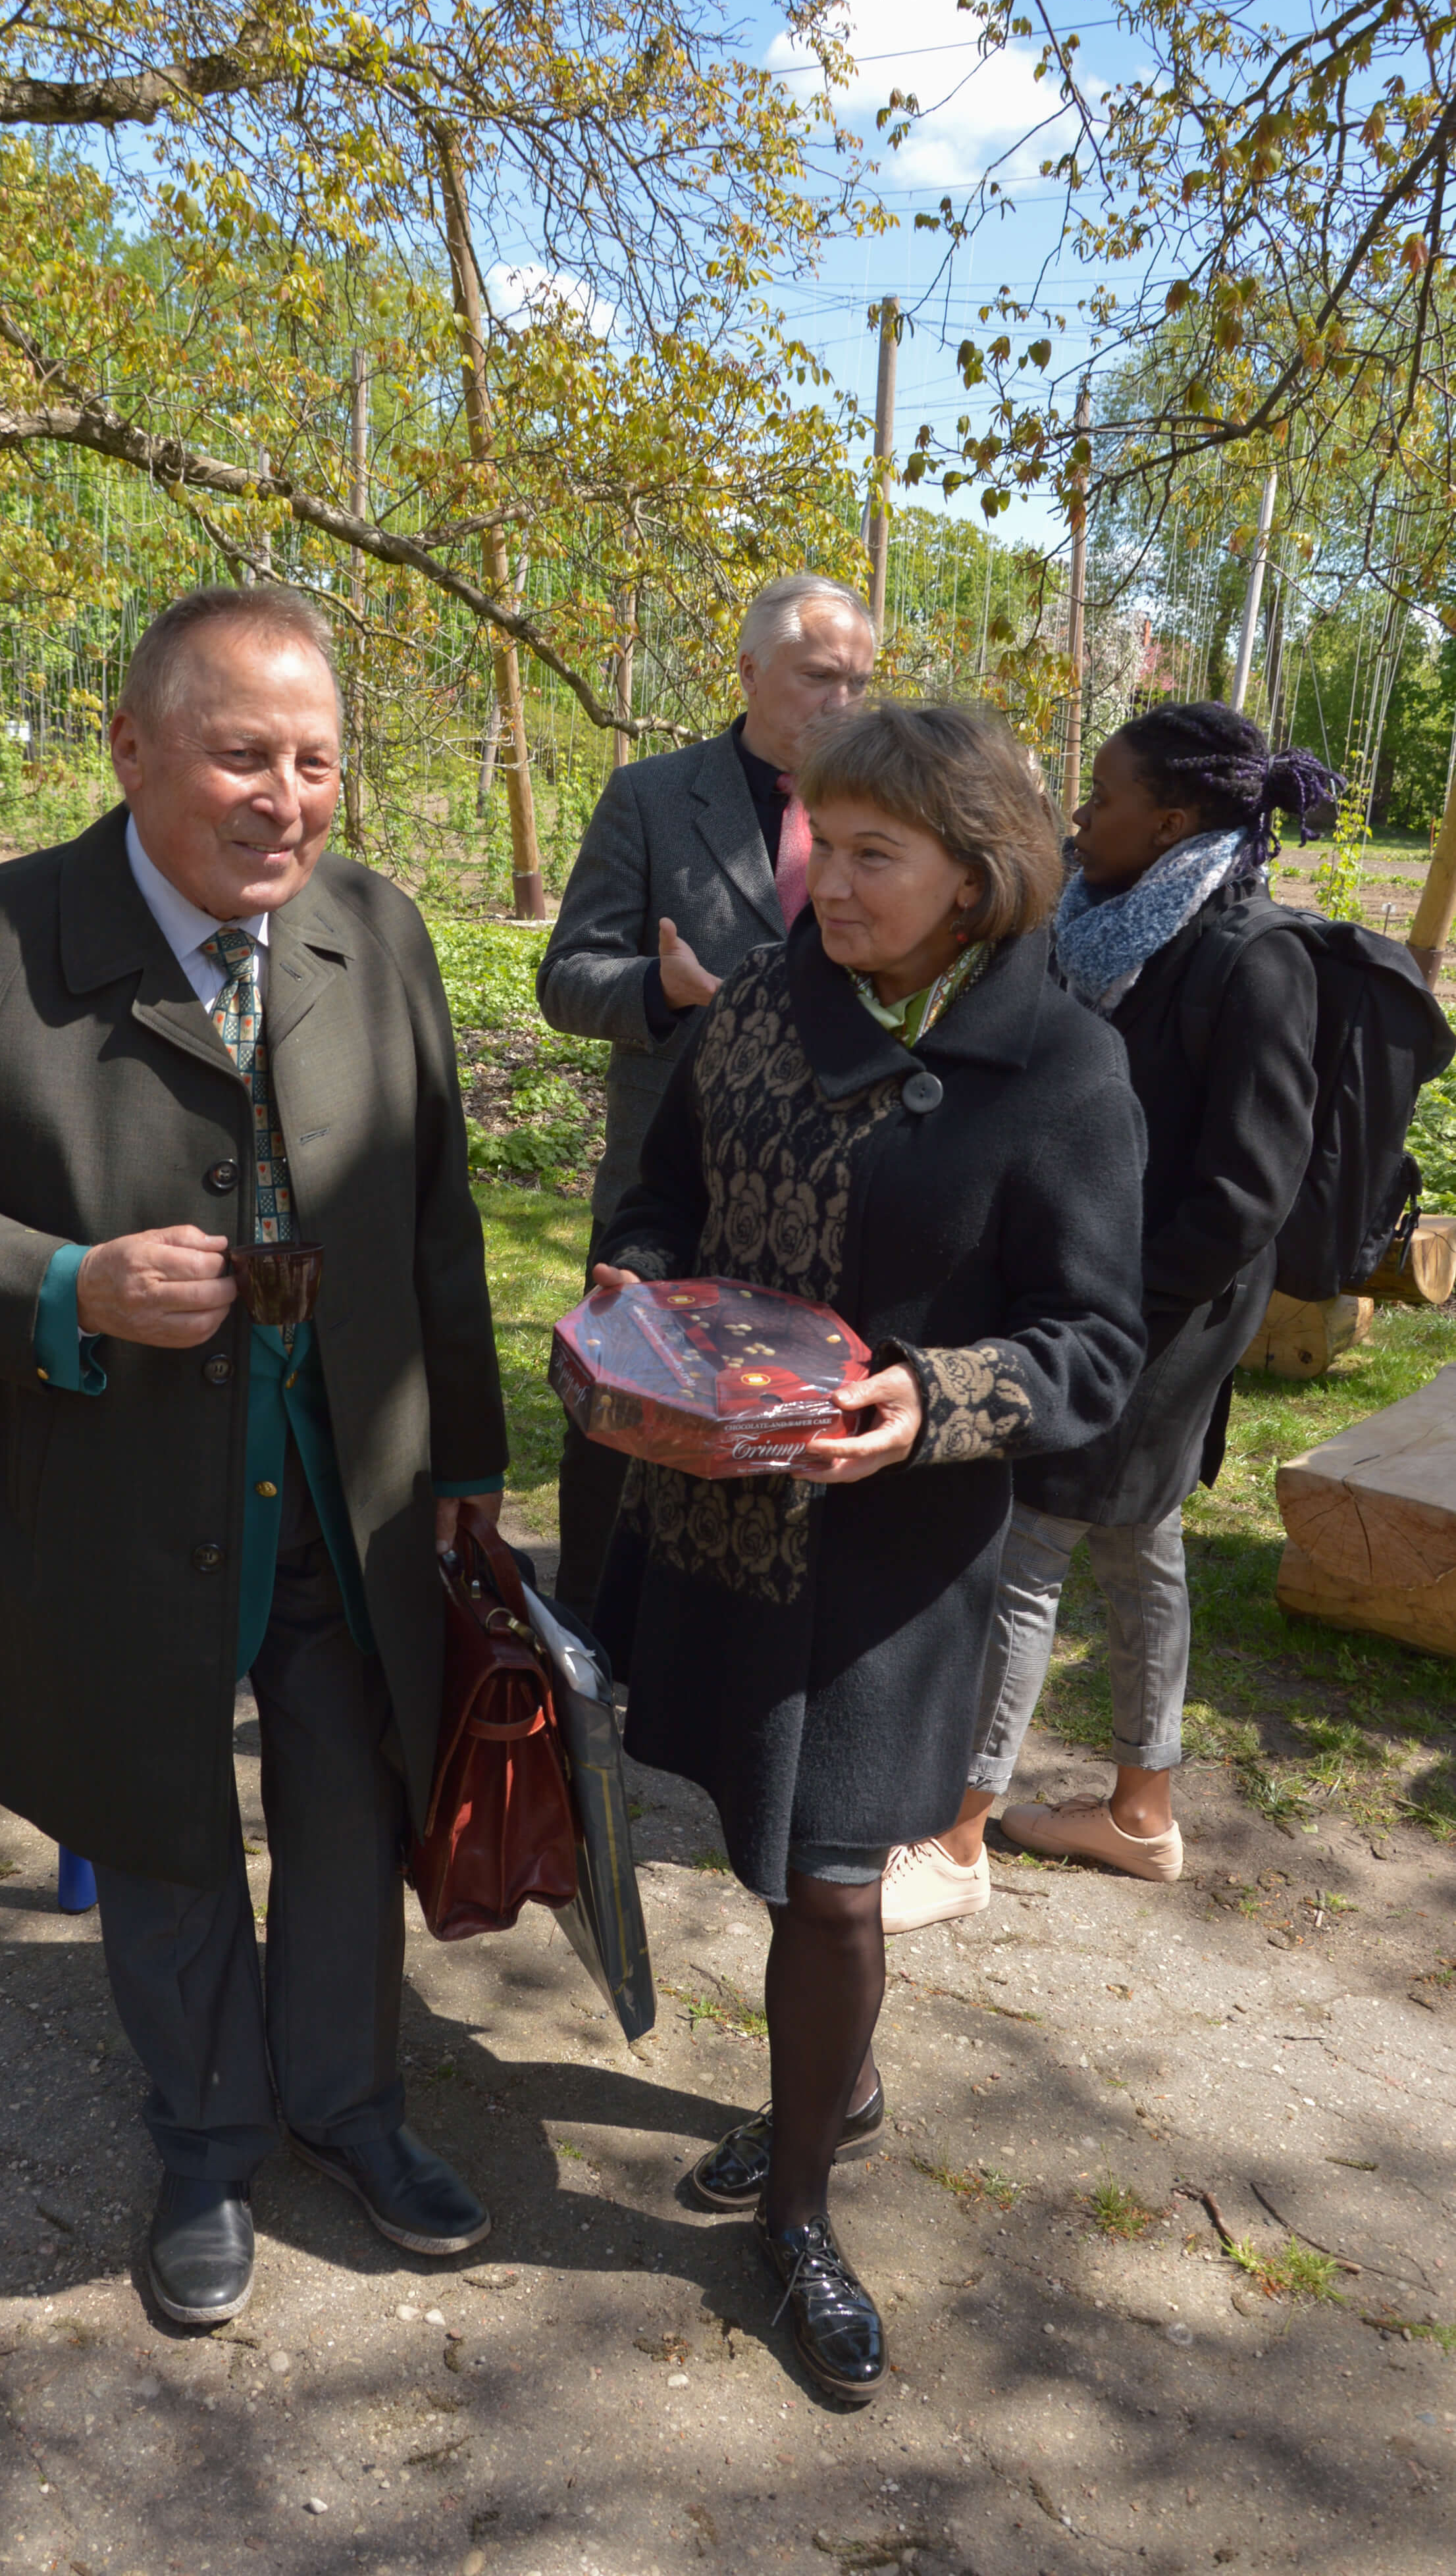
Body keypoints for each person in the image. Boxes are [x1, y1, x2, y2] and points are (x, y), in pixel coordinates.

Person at [0, 587, 508, 2328]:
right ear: (129, 750)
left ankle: (348, 2109)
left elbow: (436, 1227)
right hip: (115, 1502)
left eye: (318, 761)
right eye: (242, 757)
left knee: (353, 1799)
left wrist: (471, 1466)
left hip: (348, 1489)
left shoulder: (376, 932)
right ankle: (202, 2138)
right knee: (163, 1813)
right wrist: (66, 1284)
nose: (289, 799)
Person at [590, 701, 1147, 2402]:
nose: (828, 883)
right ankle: (833, 2083)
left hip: (887, 1561)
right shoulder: (761, 1005)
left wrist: (929, 1397)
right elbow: (658, 1185)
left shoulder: (1061, 1071)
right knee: (758, 1846)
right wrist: (632, 1274)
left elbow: (1091, 1349)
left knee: (831, 1878)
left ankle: (804, 2211)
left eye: (873, 857)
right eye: (821, 848)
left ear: (975, 879)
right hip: (707, 1509)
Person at [881, 702, 1331, 1930]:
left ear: (1173, 822)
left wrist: (1107, 1305)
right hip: (1107, 1298)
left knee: (1024, 1548)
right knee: (1143, 1546)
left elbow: (1246, 1193)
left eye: (1103, 797)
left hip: (1158, 1319)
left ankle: (955, 1836)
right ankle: (1141, 1816)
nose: (1078, 816)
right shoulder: (1111, 928)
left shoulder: (1254, 958)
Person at [536, 573, 877, 1619]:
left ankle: (727, 1653)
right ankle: (584, 1638)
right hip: (667, 1184)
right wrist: (662, 993)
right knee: (623, 1421)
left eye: (861, 680)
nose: (843, 702)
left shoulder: (885, 813)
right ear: (748, 671)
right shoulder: (652, 796)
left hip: (830, 1196)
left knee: (787, 1434)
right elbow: (566, 977)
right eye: (820, 677)